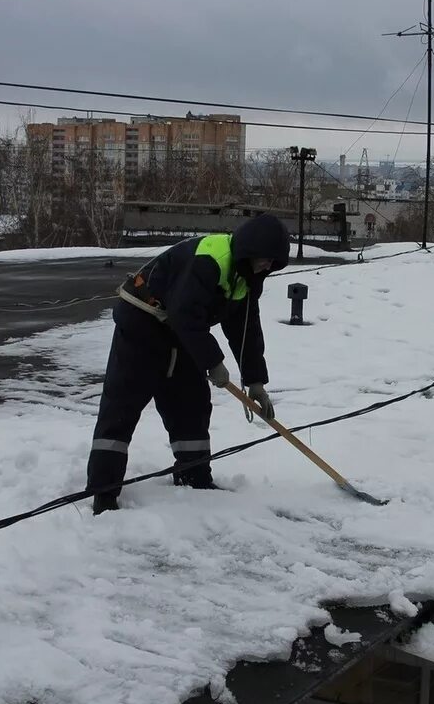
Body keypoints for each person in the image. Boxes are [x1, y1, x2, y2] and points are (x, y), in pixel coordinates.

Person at [87, 214, 292, 514]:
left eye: (273, 263)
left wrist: (255, 380)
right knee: (121, 409)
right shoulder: (210, 260)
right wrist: (214, 362)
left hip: (181, 336)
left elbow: (246, 330)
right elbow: (185, 313)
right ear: (249, 249)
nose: (267, 267)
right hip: (142, 326)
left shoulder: (247, 279)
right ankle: (103, 493)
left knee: (191, 404)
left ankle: (193, 476)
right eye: (265, 260)